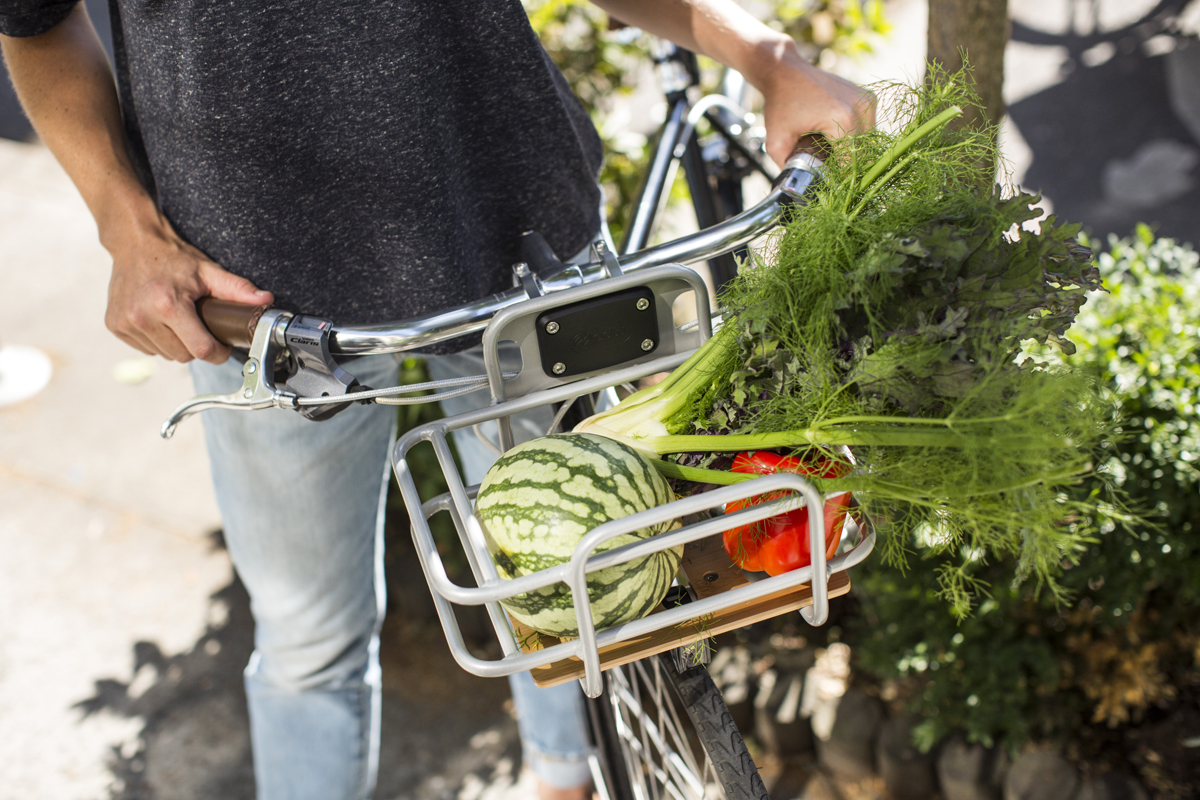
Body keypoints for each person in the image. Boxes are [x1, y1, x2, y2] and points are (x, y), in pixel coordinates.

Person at [0, 2, 874, 799]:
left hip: (521, 244)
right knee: (310, 643)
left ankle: (567, 773)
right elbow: (34, 20)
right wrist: (125, 225)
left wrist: (764, 57)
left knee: (572, 580)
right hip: (257, 309)